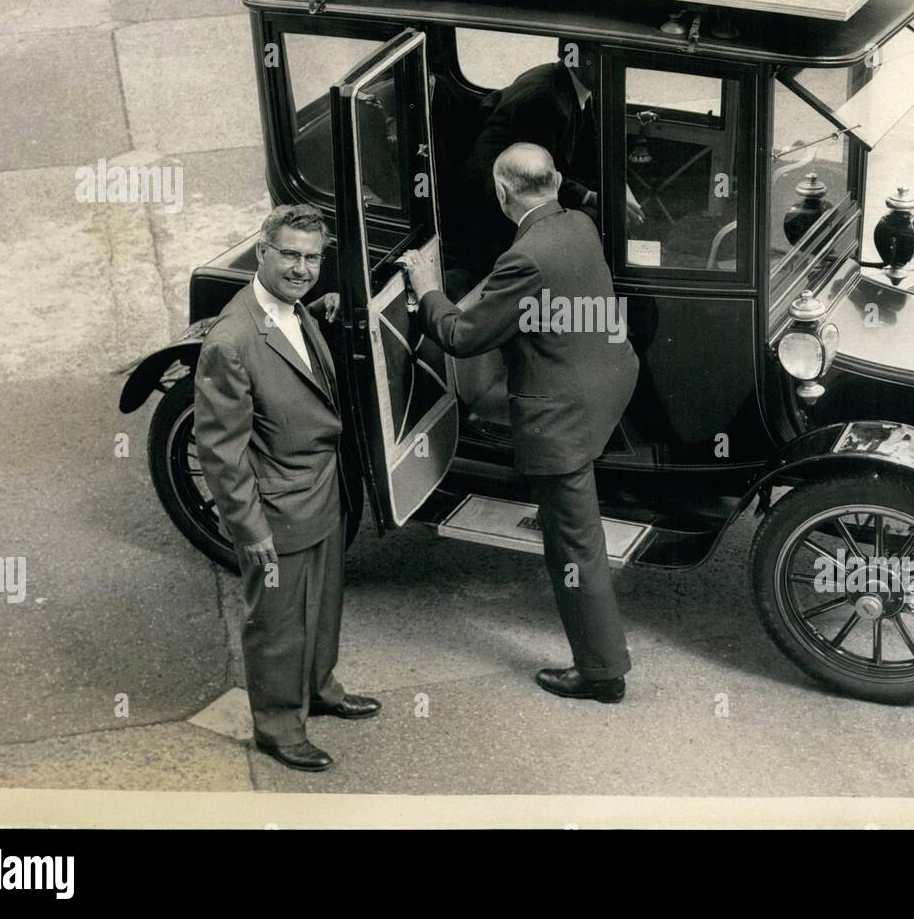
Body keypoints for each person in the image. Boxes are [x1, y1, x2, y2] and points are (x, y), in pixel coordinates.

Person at [399, 143, 639, 703]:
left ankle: (603, 673)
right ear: (555, 178)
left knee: (575, 546)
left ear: (503, 193)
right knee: (574, 522)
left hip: (564, 415)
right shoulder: (578, 222)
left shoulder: (525, 258)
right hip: (610, 380)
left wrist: (427, 286)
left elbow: (462, 337)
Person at [194, 204, 380, 771]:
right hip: (277, 507)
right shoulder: (231, 341)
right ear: (262, 254)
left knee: (322, 604)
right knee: (277, 622)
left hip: (322, 490)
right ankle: (278, 725)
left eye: (312, 257)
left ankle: (319, 689)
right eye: (290, 255)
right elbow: (221, 452)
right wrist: (248, 529)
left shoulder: (295, 310)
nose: (302, 268)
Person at [447, 58, 642, 289]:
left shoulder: (573, 84)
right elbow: (535, 177)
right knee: (592, 221)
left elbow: (590, 147)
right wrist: (591, 197)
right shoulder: (544, 100)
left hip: (532, 178)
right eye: (605, 64)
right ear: (583, 62)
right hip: (498, 195)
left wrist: (618, 185)